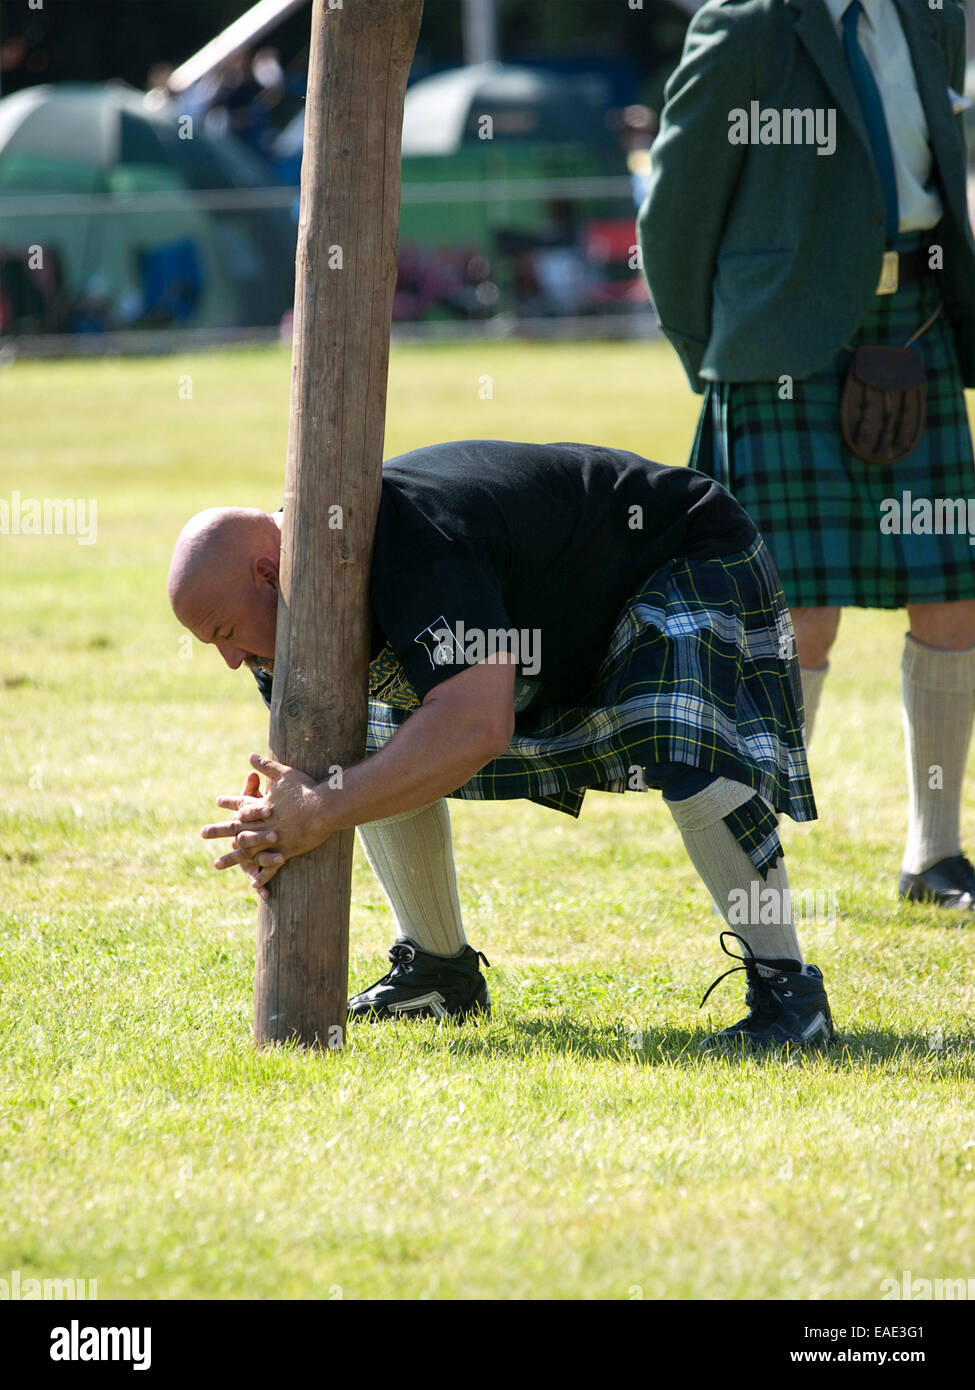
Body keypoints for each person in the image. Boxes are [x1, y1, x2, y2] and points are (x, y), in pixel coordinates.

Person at [167, 439, 833, 1049]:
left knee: (685, 744)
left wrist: (319, 811)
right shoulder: (297, 610)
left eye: (224, 630)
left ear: (265, 571)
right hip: (553, 616)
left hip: (677, 551)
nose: (229, 659)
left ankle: (789, 995)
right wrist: (281, 819)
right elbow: (325, 772)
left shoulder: (407, 544)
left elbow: (476, 724)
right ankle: (437, 977)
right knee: (369, 745)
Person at [639, 0, 975, 909]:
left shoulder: (926, 18)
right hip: (779, 346)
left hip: (916, 325)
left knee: (954, 592)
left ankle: (934, 854)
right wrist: (710, 348)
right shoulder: (746, 26)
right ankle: (756, 853)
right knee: (799, 611)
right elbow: (675, 207)